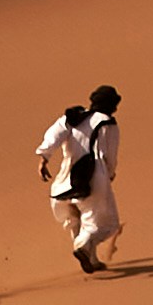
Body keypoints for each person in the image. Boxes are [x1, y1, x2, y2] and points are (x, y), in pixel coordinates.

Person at [40, 86, 125, 273]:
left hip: (65, 181)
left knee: (75, 219)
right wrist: (109, 174)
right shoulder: (108, 124)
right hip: (94, 178)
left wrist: (44, 157)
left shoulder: (75, 117)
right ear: (111, 105)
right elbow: (111, 156)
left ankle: (92, 260)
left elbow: (54, 134)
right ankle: (83, 246)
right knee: (105, 223)